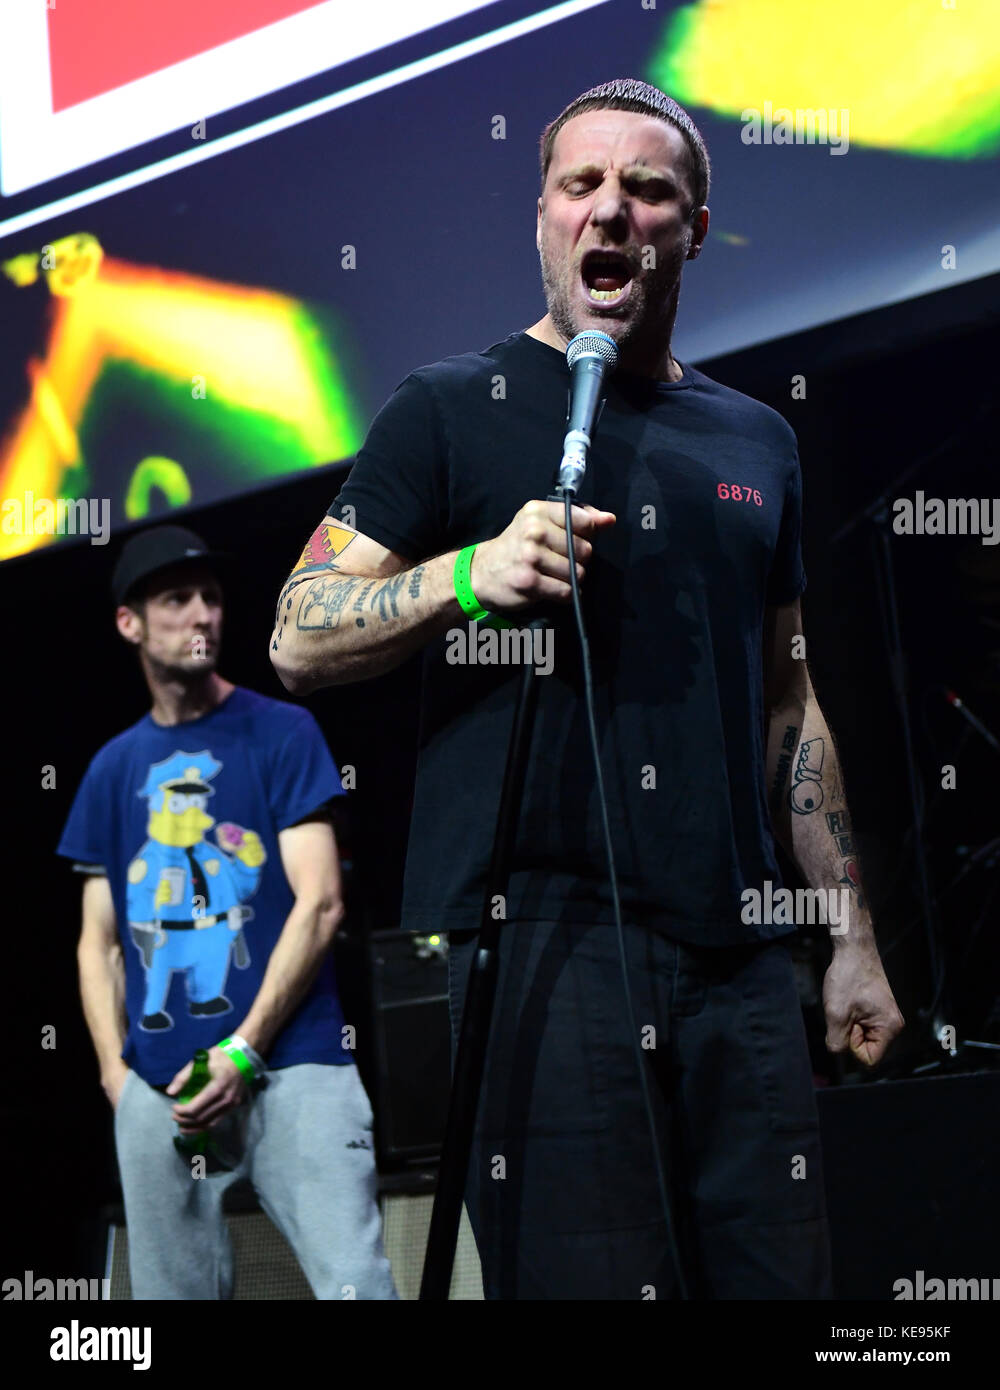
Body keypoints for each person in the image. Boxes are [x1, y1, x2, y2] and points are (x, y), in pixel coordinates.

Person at [269, 79, 905, 1300]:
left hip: (740, 963)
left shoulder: (754, 439)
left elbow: (789, 701)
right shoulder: (449, 407)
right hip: (540, 954)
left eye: (647, 189)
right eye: (582, 185)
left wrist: (850, 938)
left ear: (692, 229)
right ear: (545, 215)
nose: (610, 211)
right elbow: (299, 632)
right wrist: (465, 573)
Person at [57, 523, 397, 1300]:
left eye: (211, 597)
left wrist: (243, 1050)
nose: (203, 614)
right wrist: (117, 1078)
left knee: (356, 1287)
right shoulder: (112, 771)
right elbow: (98, 944)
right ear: (130, 623)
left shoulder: (281, 732)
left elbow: (321, 902)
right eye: (177, 599)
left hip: (294, 1064)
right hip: (160, 1086)